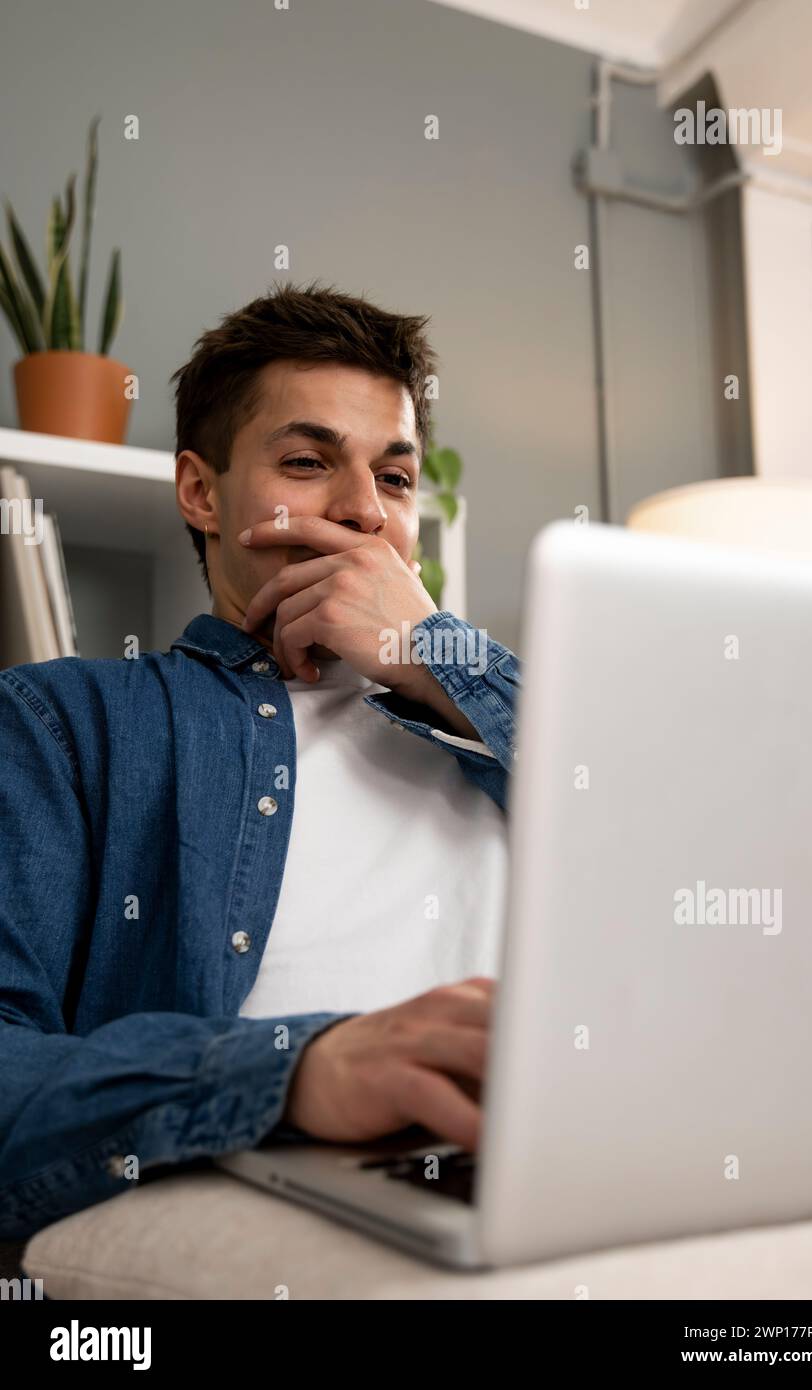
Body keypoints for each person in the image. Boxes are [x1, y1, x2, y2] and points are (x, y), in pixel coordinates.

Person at [0, 281, 520, 1240]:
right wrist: (298, 1070)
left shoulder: (510, 728)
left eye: (396, 479)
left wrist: (443, 660)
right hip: (267, 1206)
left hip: (529, 1178)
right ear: (202, 492)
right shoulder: (64, 721)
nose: (366, 512)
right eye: (308, 460)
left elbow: (700, 877)